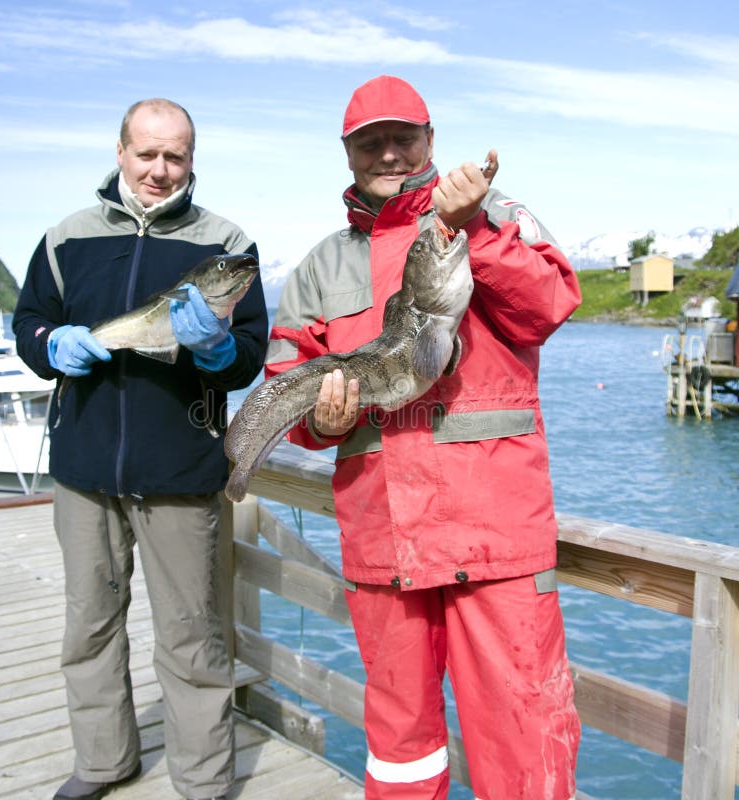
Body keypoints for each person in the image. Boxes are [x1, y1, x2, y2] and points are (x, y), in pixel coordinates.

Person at [265, 75, 582, 799]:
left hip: (494, 536)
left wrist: (470, 225)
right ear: (346, 155)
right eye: (369, 142)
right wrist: (322, 421)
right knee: (401, 753)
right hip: (384, 540)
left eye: (402, 137)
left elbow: (548, 306)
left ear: (431, 139)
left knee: (524, 745)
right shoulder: (318, 265)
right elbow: (289, 383)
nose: (388, 153)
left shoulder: (496, 214)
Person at [13, 98, 268, 800]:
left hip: (180, 470)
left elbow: (248, 357)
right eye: (147, 154)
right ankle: (101, 762)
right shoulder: (67, 238)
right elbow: (30, 321)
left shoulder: (226, 243)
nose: (160, 170)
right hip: (82, 471)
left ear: (192, 160)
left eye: (175, 156)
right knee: (89, 627)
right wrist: (48, 346)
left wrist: (217, 349)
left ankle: (205, 780)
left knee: (193, 636)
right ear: (121, 151)